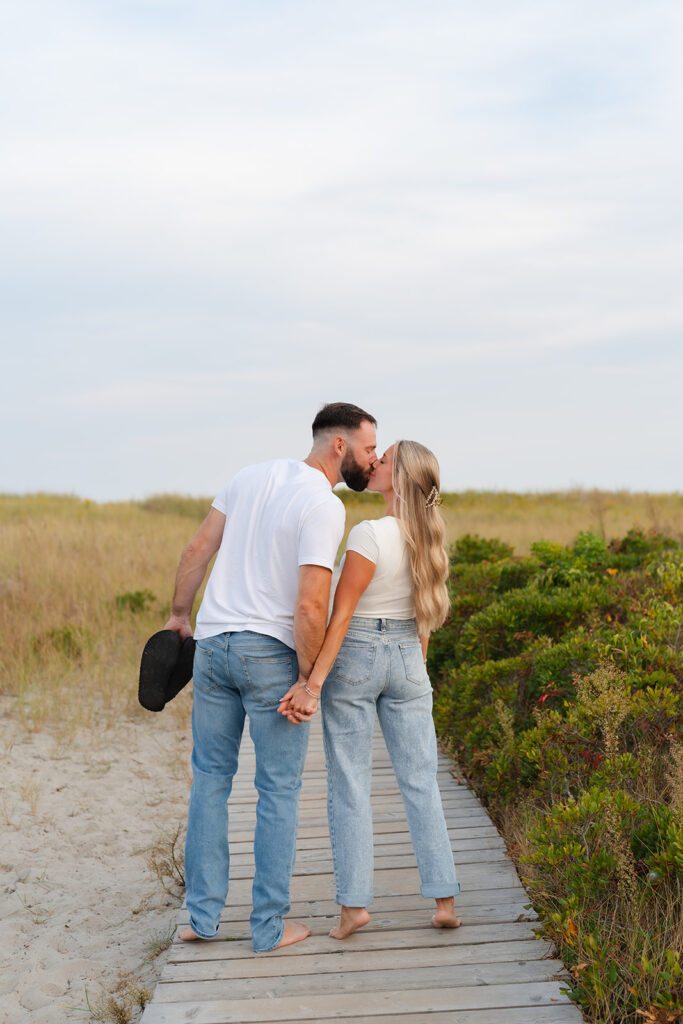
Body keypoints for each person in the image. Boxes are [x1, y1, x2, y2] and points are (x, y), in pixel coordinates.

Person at [163, 402, 377, 953]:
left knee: (210, 780)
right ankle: (268, 927)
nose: (371, 460)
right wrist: (309, 680)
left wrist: (179, 616)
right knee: (276, 790)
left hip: (211, 646)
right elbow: (310, 607)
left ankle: (201, 919)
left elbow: (196, 550)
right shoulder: (323, 505)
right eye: (368, 448)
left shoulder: (248, 476)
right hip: (269, 655)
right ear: (339, 446)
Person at [279, 440, 461, 939]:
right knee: (421, 779)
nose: (374, 463)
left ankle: (354, 907)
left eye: (385, 460)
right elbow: (423, 622)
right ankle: (444, 899)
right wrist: (414, 673)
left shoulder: (368, 534)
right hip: (408, 657)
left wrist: (312, 683)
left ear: (398, 479)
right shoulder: (430, 540)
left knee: (350, 783)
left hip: (358, 655)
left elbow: (339, 619)